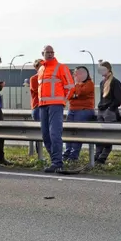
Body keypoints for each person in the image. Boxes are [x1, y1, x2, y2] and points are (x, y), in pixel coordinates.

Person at [36, 45, 74, 173]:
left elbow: (70, 86)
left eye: (52, 52)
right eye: (48, 52)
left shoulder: (61, 67)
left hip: (56, 105)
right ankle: (54, 161)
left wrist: (63, 101)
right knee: (45, 135)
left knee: (54, 134)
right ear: (43, 53)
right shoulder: (41, 69)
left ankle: (57, 162)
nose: (50, 54)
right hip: (43, 106)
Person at [63, 66, 95, 162]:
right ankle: (66, 153)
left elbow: (80, 93)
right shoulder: (73, 84)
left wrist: (75, 88)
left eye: (79, 73)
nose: (76, 75)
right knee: (69, 132)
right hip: (72, 110)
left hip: (83, 110)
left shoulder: (89, 84)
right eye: (75, 73)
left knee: (77, 132)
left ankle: (73, 156)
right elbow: (68, 95)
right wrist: (73, 94)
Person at [94, 61, 121, 165]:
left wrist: (110, 108)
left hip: (109, 112)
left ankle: (102, 157)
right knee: (99, 135)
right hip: (101, 111)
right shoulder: (102, 82)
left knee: (107, 136)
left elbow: (119, 99)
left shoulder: (115, 82)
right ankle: (97, 155)